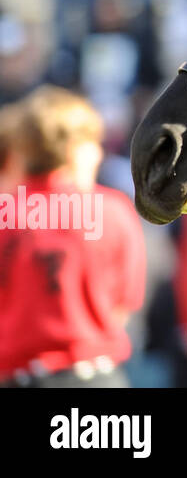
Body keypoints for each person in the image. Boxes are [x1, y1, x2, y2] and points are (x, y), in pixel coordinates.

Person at [0, 86, 146, 387]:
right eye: (93, 143)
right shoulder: (113, 210)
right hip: (97, 381)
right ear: (73, 148)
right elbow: (122, 306)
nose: (98, 154)